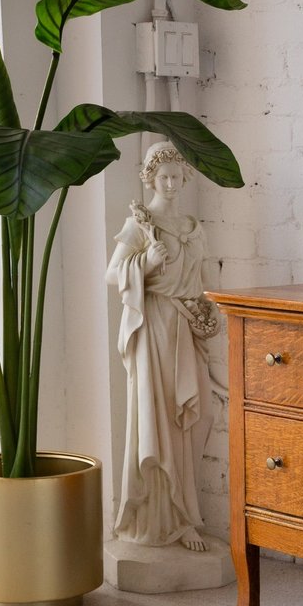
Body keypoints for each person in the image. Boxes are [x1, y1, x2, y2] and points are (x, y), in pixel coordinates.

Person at [106, 141, 220, 552]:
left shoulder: (192, 225)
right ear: (151, 178)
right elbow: (111, 273)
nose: (171, 183)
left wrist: (207, 310)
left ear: (185, 178)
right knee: (158, 421)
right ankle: (162, 522)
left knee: (196, 415)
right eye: (163, 176)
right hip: (153, 324)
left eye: (176, 176)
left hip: (185, 326)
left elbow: (200, 276)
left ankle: (185, 513)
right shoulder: (140, 223)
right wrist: (147, 264)